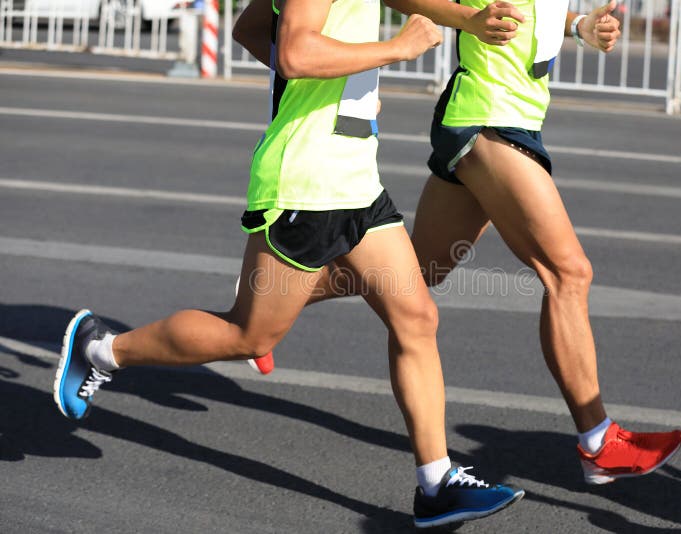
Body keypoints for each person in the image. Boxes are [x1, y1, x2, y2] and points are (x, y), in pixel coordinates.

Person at [53, 0, 528, 528]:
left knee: (416, 317)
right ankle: (101, 349)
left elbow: (253, 27)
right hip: (305, 180)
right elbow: (297, 52)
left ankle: (437, 484)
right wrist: (395, 49)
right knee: (249, 336)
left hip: (356, 178)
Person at [240, 0, 681, 486]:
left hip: (512, 117)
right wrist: (462, 22)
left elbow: (533, 9)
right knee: (568, 272)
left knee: (422, 271)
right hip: (486, 121)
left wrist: (579, 27)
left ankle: (270, 304)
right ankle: (599, 442)